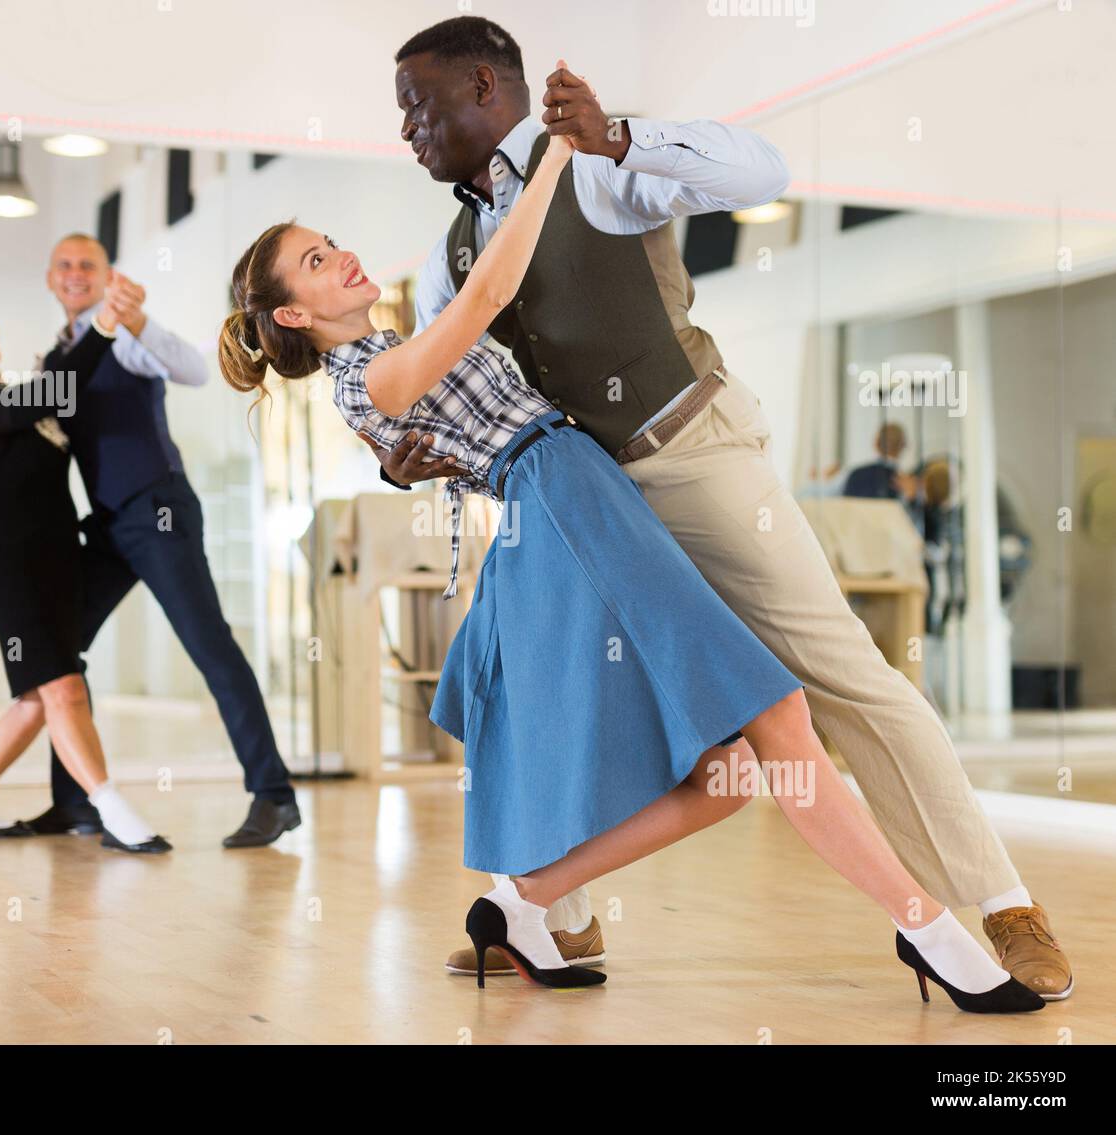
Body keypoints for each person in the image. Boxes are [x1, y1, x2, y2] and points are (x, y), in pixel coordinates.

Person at [216, 134, 1043, 1011]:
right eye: (314, 260)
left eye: (328, 242)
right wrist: (554, 161)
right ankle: (932, 932)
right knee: (778, 714)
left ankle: (525, 903)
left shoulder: (382, 355)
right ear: (294, 314)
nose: (340, 255)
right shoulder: (366, 376)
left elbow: (443, 412)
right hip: (568, 497)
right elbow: (490, 292)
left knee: (727, 776)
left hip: (579, 491)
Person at [0, 235, 299, 848]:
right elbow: (24, 440)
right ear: (51, 278)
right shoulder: (55, 358)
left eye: (89, 264)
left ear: (107, 275)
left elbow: (193, 370)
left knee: (208, 644)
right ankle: (75, 803)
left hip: (157, 507)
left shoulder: (127, 331)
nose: (77, 273)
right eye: (66, 265)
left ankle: (274, 796)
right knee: (61, 651)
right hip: (108, 522)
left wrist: (134, 319)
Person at [0, 291, 167, 852]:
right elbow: (66, 385)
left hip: (56, 555)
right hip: (13, 565)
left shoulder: (9, 401)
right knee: (64, 688)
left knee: (36, 695)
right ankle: (113, 811)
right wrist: (101, 326)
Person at [843, 422, 920, 505]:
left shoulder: (854, 473)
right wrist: (912, 498)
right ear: (904, 445)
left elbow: (830, 496)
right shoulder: (906, 483)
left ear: (876, 443)